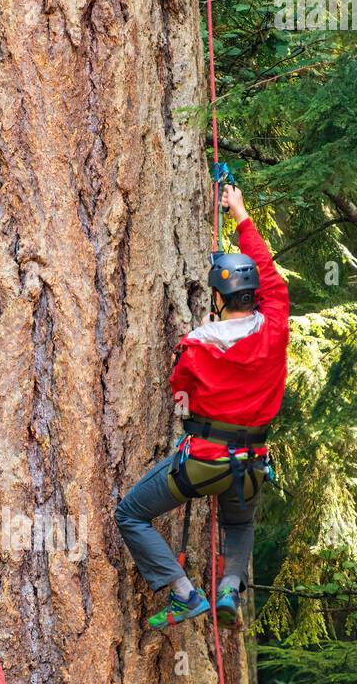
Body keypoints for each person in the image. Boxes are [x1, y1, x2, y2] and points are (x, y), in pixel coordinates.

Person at [115, 183, 289, 628]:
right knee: (240, 525)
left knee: (131, 514)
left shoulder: (195, 348)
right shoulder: (275, 329)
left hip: (203, 464)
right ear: (254, 297)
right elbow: (269, 276)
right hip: (250, 463)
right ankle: (229, 587)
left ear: (217, 298)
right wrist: (240, 215)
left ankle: (185, 594)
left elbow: (180, 393)